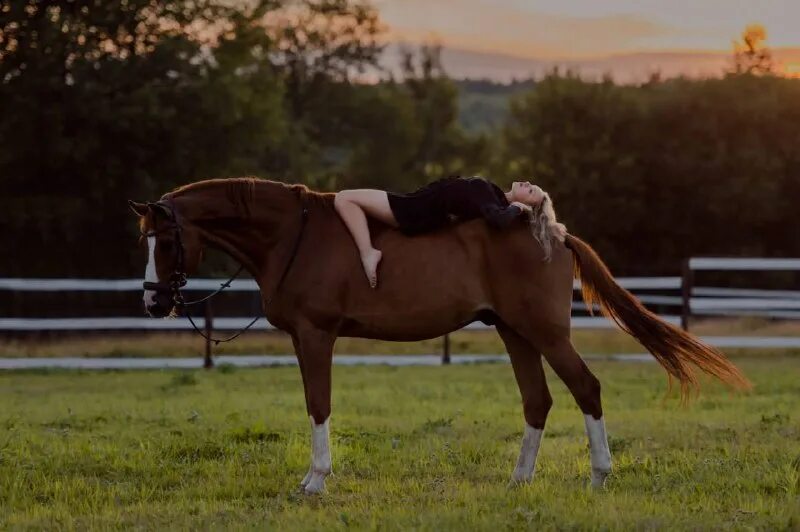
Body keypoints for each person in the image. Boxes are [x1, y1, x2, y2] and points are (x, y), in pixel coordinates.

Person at [334, 176, 566, 287]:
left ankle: (367, 253)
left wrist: (515, 208)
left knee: (345, 198)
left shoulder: (492, 199)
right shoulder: (493, 196)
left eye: (531, 191)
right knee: (349, 198)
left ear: (526, 204)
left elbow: (498, 220)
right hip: (415, 206)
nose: (527, 184)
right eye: (530, 184)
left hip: (411, 209)